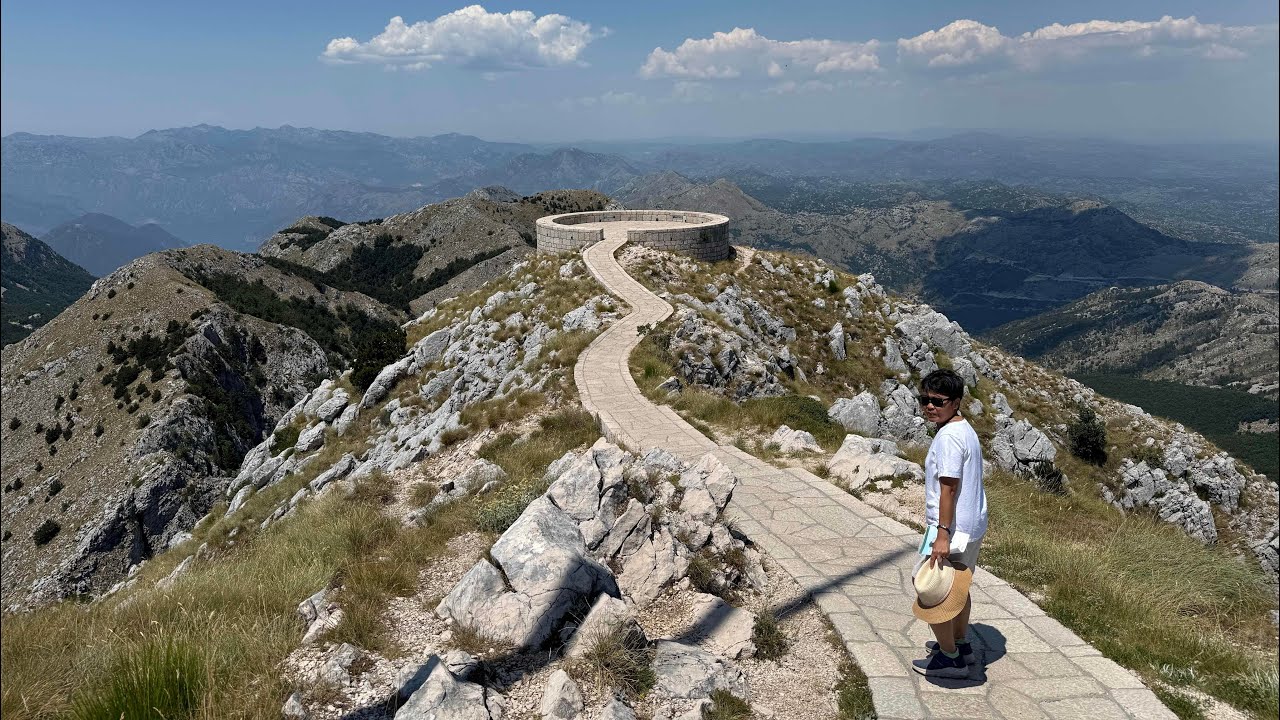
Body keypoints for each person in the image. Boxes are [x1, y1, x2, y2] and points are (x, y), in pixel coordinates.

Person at [910, 368, 988, 678]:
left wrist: (942, 534)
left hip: (951, 529)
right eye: (925, 400)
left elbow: (949, 488)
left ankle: (949, 658)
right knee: (958, 586)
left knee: (931, 589)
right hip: (971, 526)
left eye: (938, 401)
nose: (930, 406)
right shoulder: (963, 428)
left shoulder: (949, 438)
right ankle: (961, 644)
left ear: (955, 402)